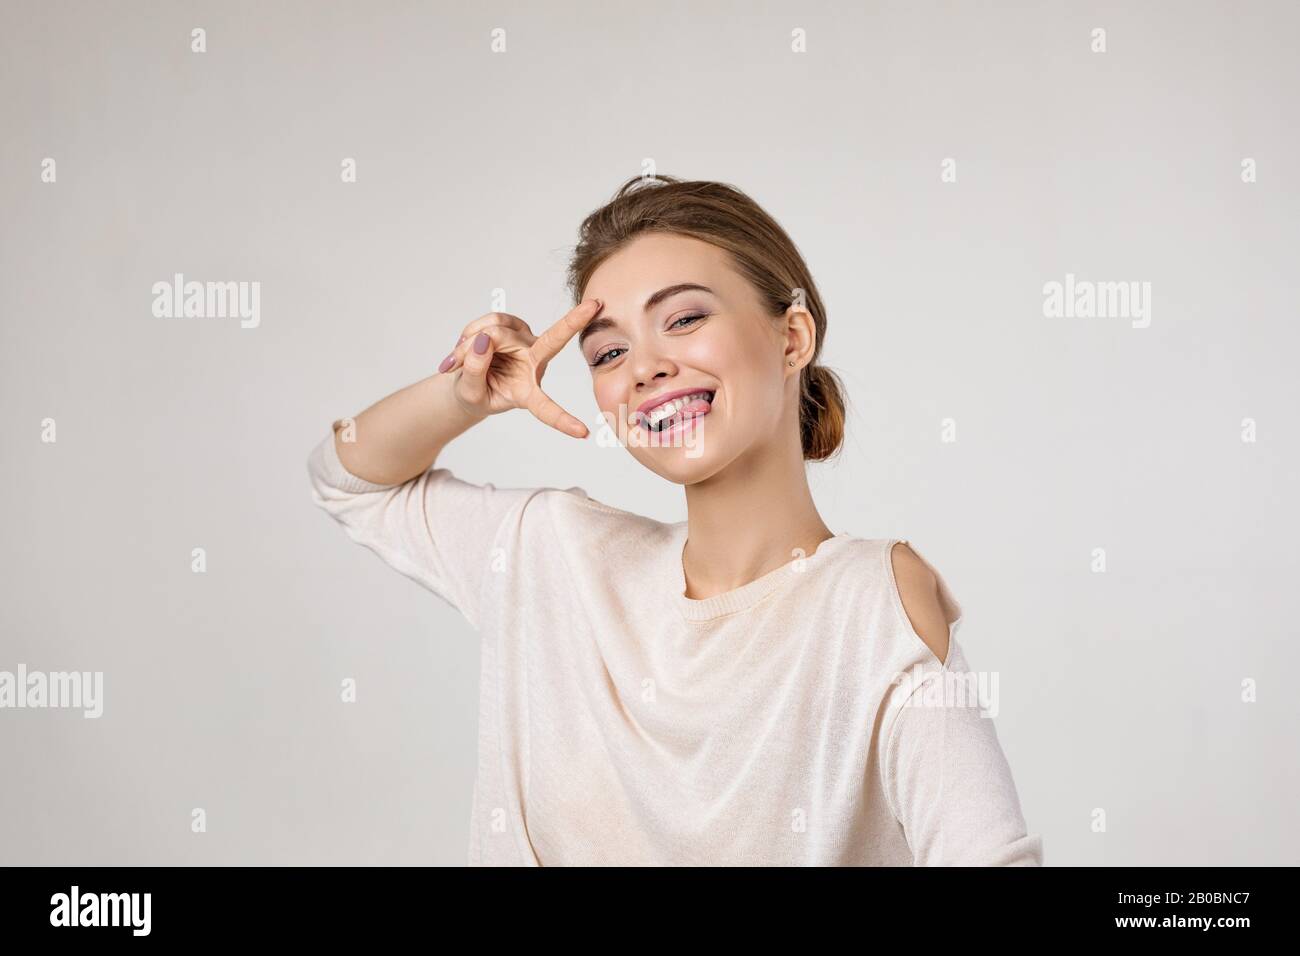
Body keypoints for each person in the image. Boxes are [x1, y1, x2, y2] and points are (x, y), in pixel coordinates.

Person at [306, 175, 1043, 866]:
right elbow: (350, 480)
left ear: (792, 338)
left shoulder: (872, 601)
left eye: (684, 318)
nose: (644, 368)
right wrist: (464, 398)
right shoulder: (553, 556)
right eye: (609, 351)